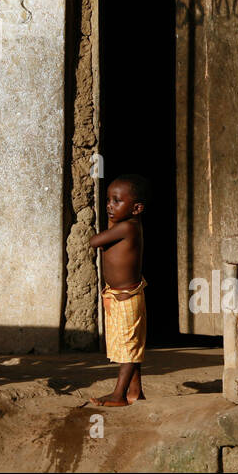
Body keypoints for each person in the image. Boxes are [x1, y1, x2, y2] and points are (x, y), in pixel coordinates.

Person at [87, 174, 148, 406]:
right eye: (108, 201)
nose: (110, 206)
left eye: (117, 201)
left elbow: (95, 241)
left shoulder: (128, 228)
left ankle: (118, 395)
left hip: (126, 298)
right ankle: (135, 392)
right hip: (118, 297)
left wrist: (111, 222)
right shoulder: (124, 225)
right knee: (128, 346)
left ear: (137, 208)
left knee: (128, 349)